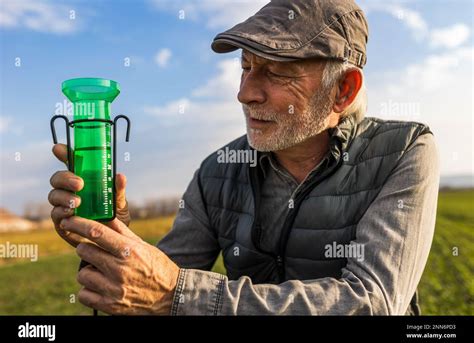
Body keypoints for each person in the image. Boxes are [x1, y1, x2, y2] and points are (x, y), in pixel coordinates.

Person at [48, 0, 439, 315]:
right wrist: (108, 236)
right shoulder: (217, 172)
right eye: (246, 67)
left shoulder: (404, 151)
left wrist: (179, 296)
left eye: (277, 72)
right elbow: (142, 289)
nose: (245, 93)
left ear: (343, 90)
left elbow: (371, 303)